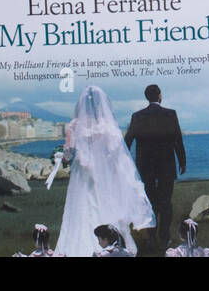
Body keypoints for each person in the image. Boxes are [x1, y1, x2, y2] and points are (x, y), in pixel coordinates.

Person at [54, 86, 155, 258]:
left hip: (82, 176)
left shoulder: (75, 125)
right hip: (104, 176)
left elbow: (68, 154)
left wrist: (60, 158)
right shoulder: (108, 126)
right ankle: (112, 244)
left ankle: (78, 247)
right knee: (105, 204)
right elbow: (116, 152)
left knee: (81, 208)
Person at [124, 84, 187, 251]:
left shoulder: (137, 116)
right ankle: (164, 237)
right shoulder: (170, 114)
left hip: (145, 168)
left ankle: (151, 237)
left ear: (147, 97)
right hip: (166, 166)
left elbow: (128, 141)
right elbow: (177, 140)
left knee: (149, 203)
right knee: (166, 202)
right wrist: (182, 161)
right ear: (159, 96)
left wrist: (123, 163)